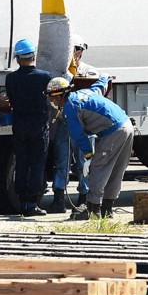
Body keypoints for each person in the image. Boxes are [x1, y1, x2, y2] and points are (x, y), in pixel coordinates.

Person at [47, 74, 134, 219]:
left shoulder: (70, 107)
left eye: (51, 97)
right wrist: (106, 78)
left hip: (112, 132)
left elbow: (78, 135)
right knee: (116, 171)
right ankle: (107, 209)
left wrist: (89, 156)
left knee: (98, 169)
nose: (51, 101)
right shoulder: (83, 93)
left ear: (58, 96)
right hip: (127, 126)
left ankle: (93, 210)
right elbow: (99, 87)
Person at [49, 34, 97, 213]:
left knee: (84, 162)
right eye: (73, 50)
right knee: (62, 161)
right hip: (64, 123)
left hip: (84, 125)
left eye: (78, 50)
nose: (76, 54)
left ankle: (84, 197)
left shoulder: (90, 72)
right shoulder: (61, 72)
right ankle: (59, 197)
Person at [5, 39, 53, 217]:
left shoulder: (11, 78)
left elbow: (11, 98)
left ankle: (23, 202)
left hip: (20, 127)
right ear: (34, 56)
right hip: (39, 127)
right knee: (37, 165)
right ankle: (33, 203)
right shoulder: (44, 77)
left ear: (17, 58)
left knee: (22, 164)